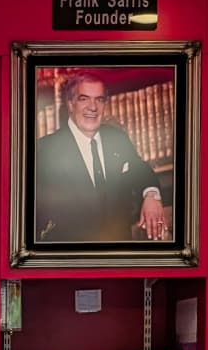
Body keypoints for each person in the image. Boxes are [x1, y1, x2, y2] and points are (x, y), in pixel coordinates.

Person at [34, 70, 169, 244]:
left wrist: (151, 196)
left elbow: (140, 168)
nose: (93, 107)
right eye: (84, 99)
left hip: (119, 254)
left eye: (99, 99)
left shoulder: (117, 137)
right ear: (70, 103)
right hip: (72, 258)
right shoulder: (45, 149)